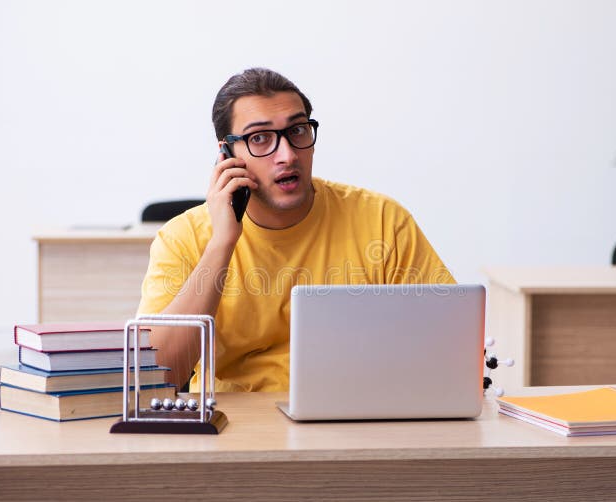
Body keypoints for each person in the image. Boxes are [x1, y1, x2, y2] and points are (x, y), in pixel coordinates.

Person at [137, 67, 455, 392]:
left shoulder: (384, 220)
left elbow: (449, 339)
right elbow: (159, 377)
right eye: (259, 138)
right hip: (240, 427)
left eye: (298, 131)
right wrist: (222, 243)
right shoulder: (183, 237)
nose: (287, 155)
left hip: (357, 413)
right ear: (227, 155)